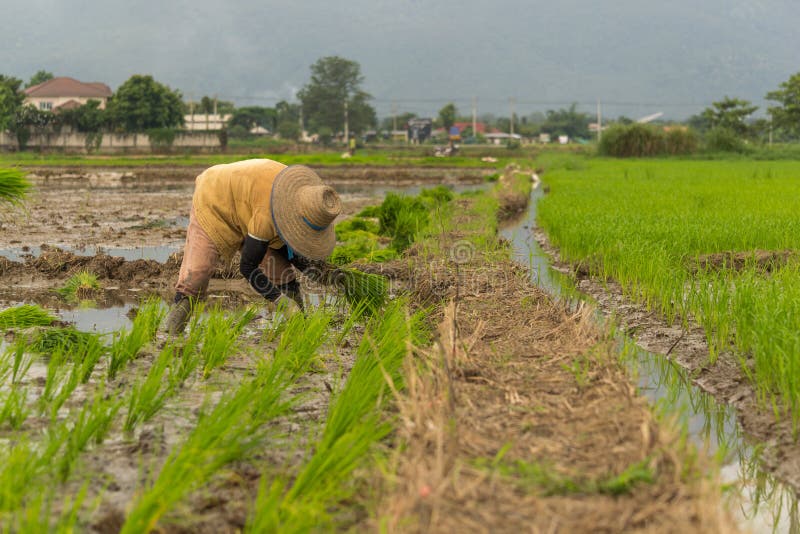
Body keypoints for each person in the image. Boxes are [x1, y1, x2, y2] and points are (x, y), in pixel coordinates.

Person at [164, 159, 341, 335]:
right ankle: (172, 331)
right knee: (197, 273)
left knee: (281, 272)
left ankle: (300, 329)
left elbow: (292, 254)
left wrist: (329, 276)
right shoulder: (268, 216)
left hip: (250, 203)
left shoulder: (307, 200)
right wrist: (281, 302)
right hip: (214, 196)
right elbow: (247, 267)